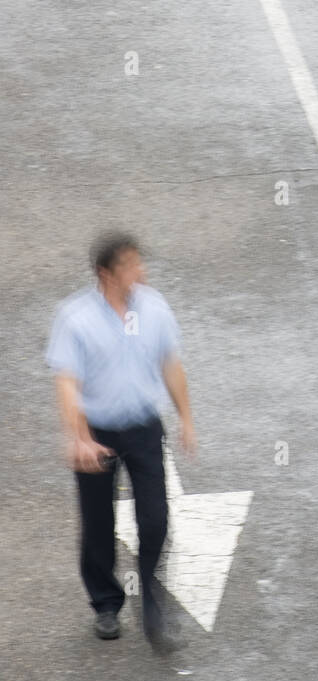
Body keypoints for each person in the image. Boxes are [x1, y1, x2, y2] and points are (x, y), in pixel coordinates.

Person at [46, 233, 196, 653]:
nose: (141, 272)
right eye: (131, 265)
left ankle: (152, 603)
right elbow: (67, 383)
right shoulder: (75, 317)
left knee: (155, 520)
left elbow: (171, 363)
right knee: (97, 524)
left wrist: (186, 418)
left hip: (144, 428)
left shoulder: (154, 307)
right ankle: (106, 604)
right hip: (95, 432)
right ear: (106, 273)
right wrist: (78, 437)